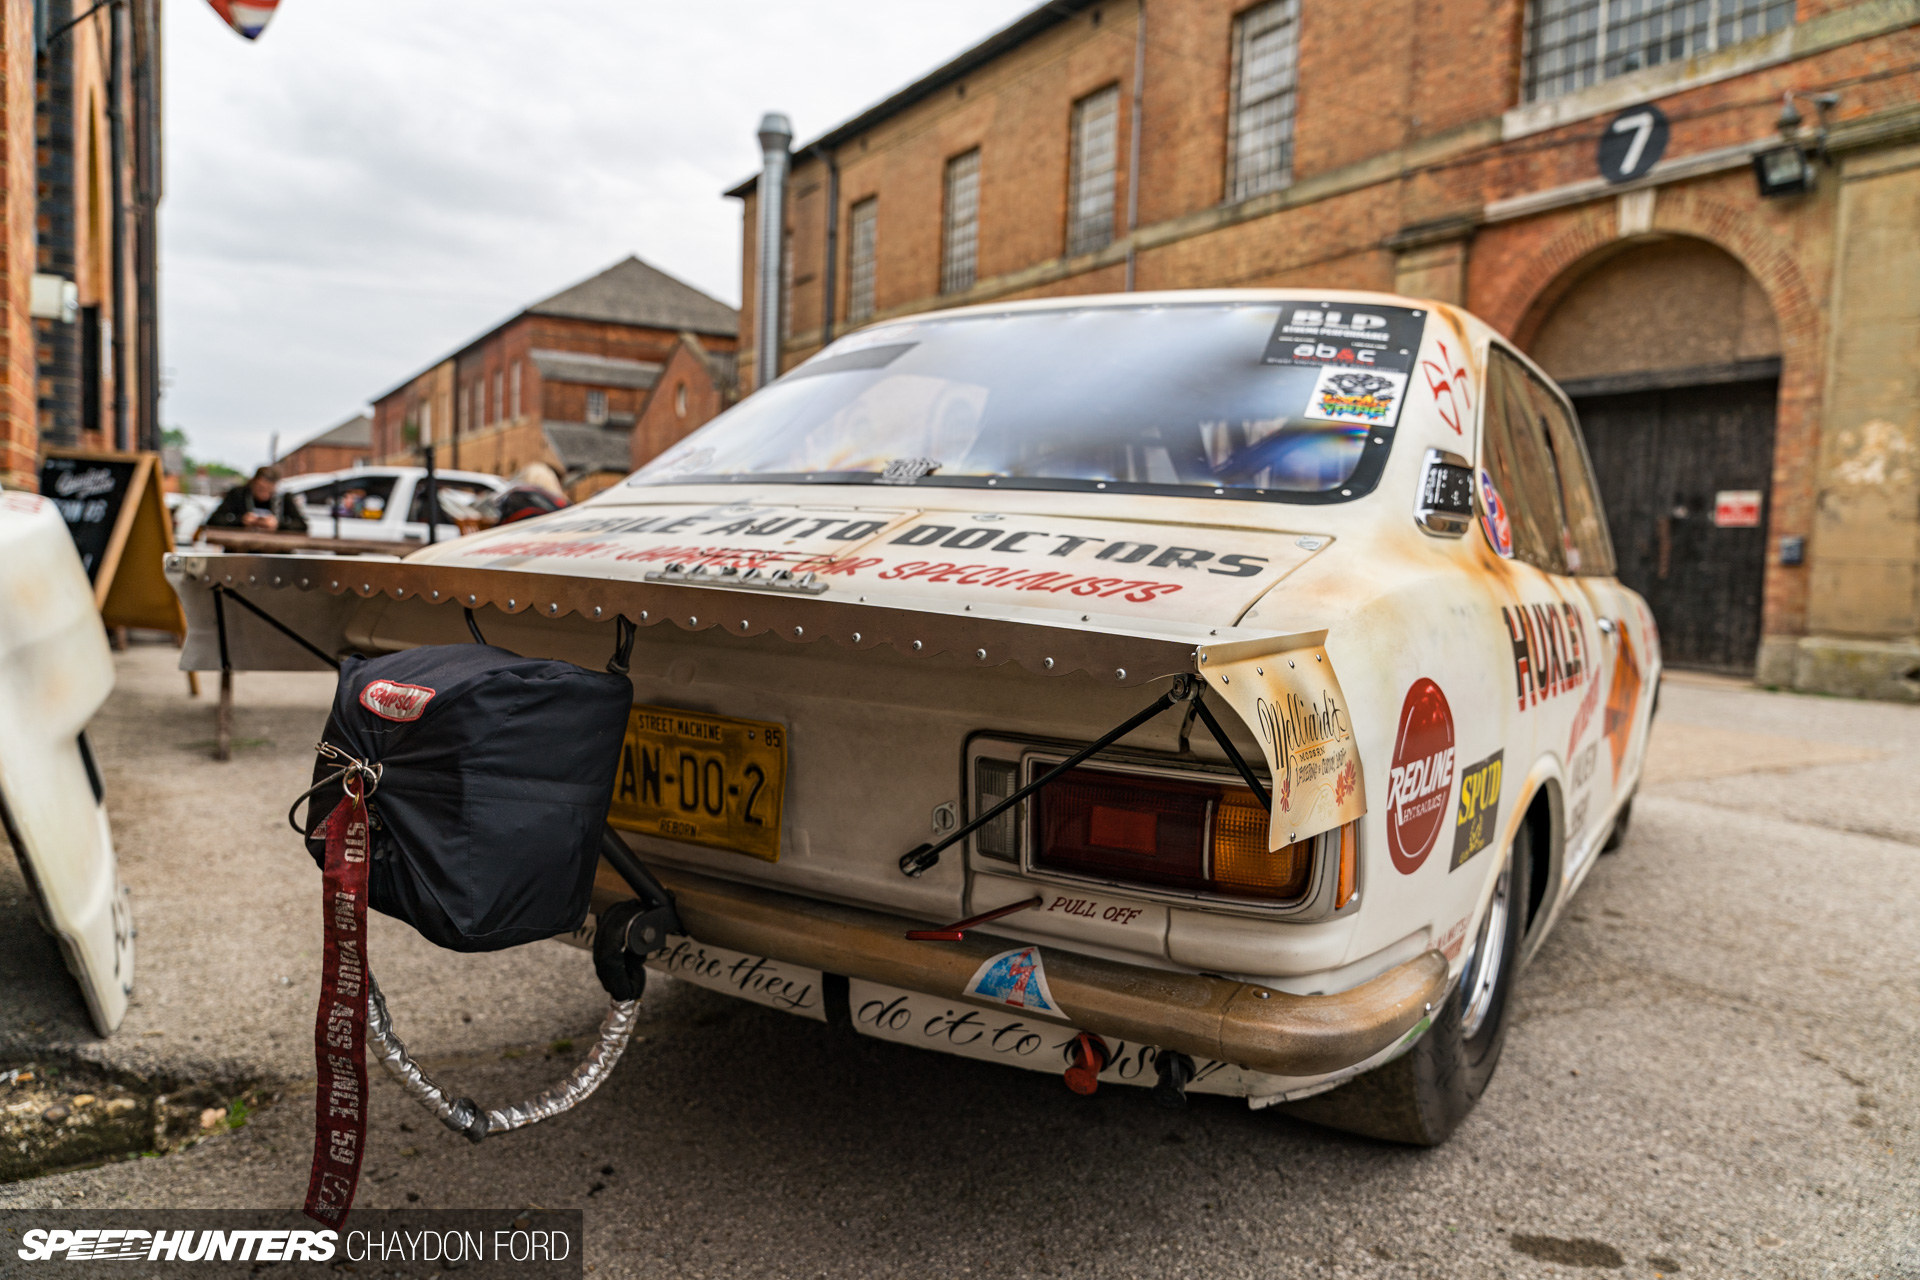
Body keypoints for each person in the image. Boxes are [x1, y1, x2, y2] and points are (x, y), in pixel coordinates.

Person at [207, 466, 308, 533]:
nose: (264, 493)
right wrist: (241, 520)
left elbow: (302, 526)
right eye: (260, 488)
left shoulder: (283, 497)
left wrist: (278, 524)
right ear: (253, 483)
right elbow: (213, 521)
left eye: (269, 490)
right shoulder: (238, 494)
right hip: (241, 549)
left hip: (275, 552)